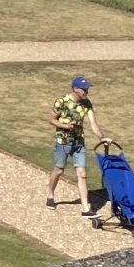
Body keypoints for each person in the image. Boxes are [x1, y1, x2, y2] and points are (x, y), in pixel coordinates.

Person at [45, 76, 99, 212]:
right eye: (84, 89)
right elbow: (51, 119)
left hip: (78, 142)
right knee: (59, 170)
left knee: (82, 173)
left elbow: (93, 123)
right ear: (75, 89)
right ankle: (50, 195)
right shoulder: (61, 102)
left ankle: (86, 208)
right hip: (62, 141)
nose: (87, 91)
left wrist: (101, 138)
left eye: (87, 89)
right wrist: (65, 126)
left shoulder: (87, 104)